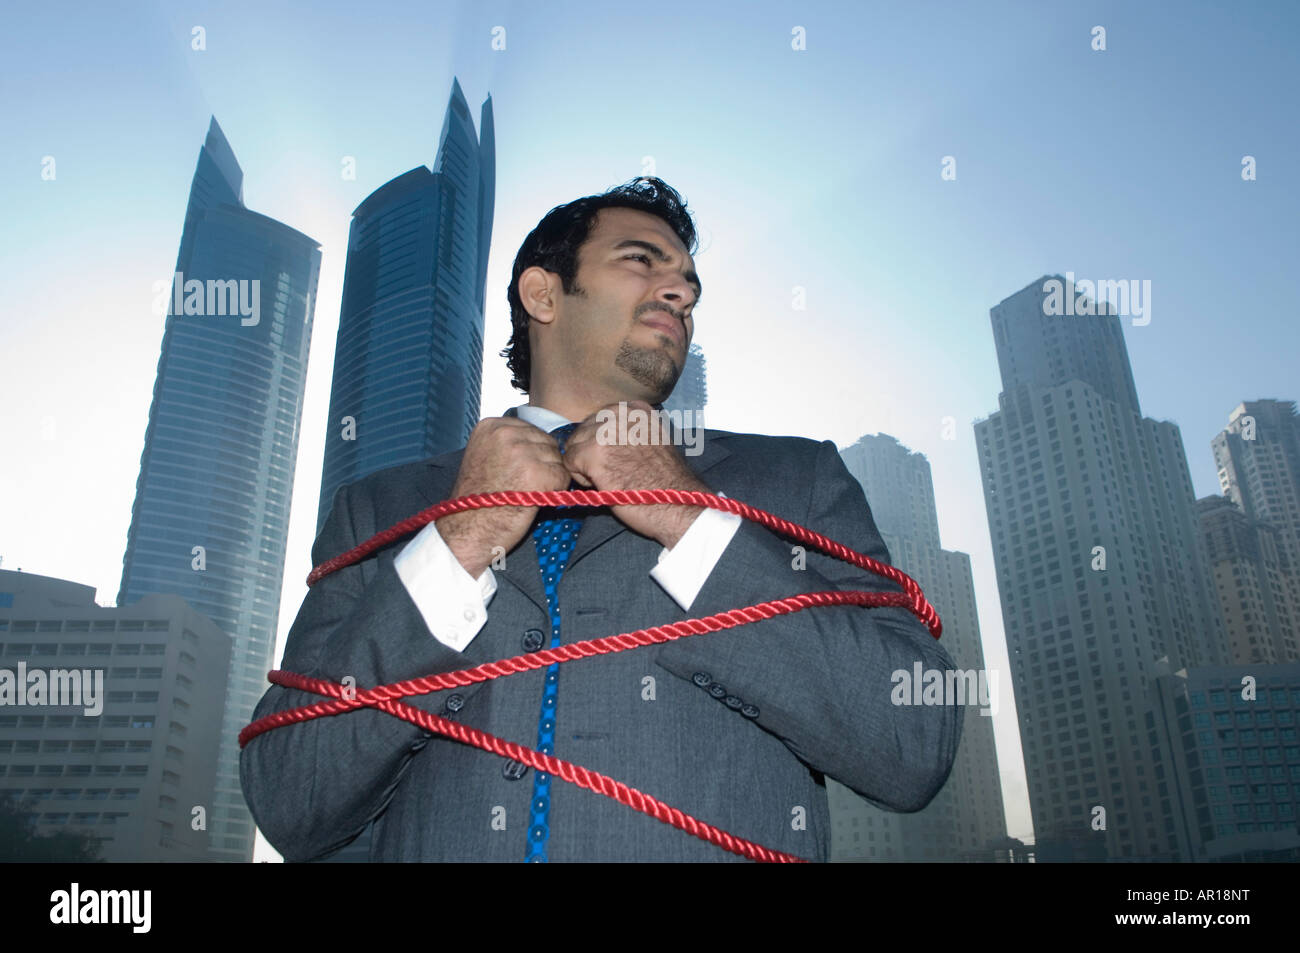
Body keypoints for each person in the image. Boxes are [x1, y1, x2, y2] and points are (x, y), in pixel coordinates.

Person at [240, 176, 962, 862]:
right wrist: (460, 539)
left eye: (689, 284)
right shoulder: (379, 509)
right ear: (543, 293)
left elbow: (912, 738)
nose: (681, 291)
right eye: (641, 260)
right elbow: (291, 799)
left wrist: (690, 519)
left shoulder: (796, 482)